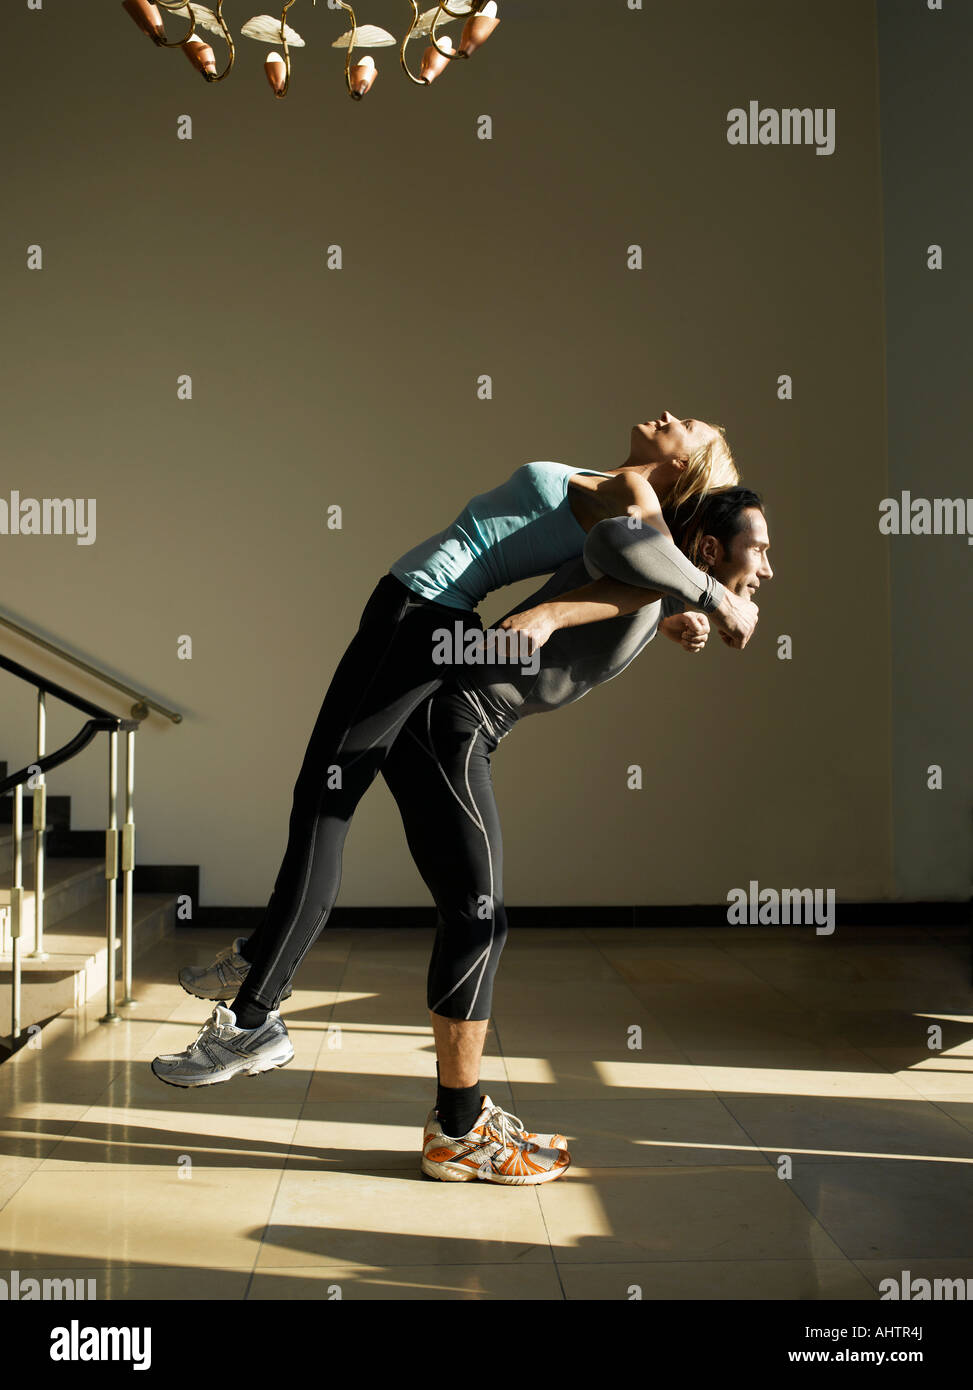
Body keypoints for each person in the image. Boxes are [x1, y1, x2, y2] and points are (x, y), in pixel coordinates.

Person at [159, 486, 772, 1185]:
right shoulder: (643, 545)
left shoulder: (660, 586)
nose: (770, 568)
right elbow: (616, 551)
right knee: (478, 919)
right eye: (761, 548)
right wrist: (673, 602)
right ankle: (455, 1127)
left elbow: (627, 590)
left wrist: (679, 613)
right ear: (710, 549)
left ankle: (430, 1102)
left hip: (455, 722)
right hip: (453, 723)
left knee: (470, 915)